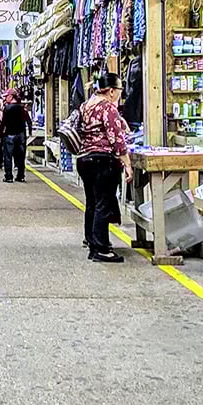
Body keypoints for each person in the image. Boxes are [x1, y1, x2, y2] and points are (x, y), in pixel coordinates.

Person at [76, 74, 133, 264]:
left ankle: (92, 242)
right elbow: (117, 139)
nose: (119, 96)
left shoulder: (86, 106)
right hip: (102, 161)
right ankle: (101, 248)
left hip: (85, 159)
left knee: (92, 202)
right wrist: (127, 164)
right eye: (118, 92)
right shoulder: (107, 107)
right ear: (111, 91)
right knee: (103, 203)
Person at [0, 89, 32, 183]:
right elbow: (29, 121)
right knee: (21, 157)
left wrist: (0, 133)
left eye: (7, 96)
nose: (5, 98)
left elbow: (3, 123)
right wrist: (30, 131)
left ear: (11, 96)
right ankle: (21, 175)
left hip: (10, 135)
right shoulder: (22, 108)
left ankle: (9, 176)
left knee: (8, 156)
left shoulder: (7, 108)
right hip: (21, 135)